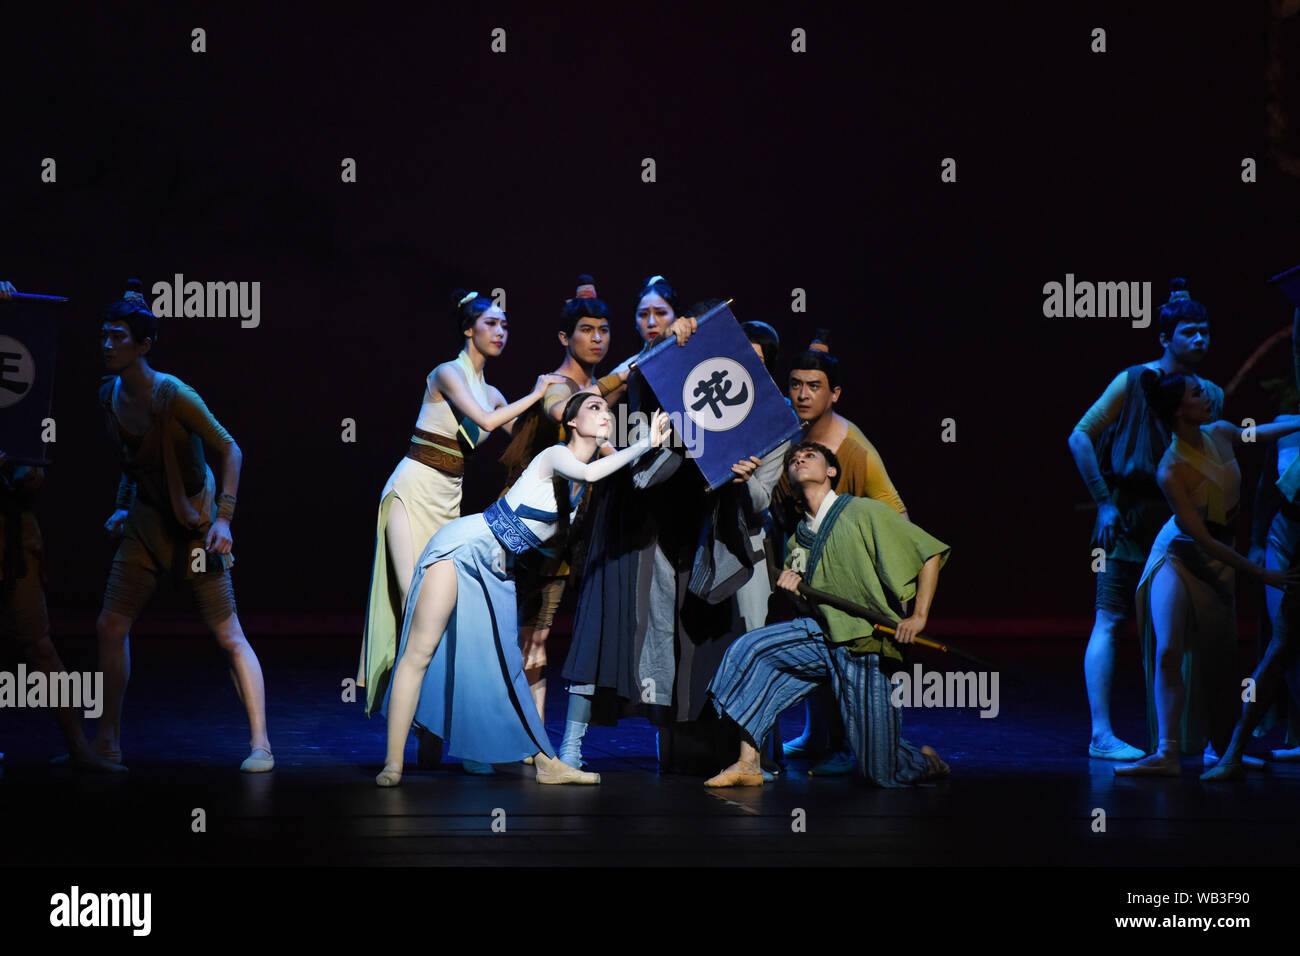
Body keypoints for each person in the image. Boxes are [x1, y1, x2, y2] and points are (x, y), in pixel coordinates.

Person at [375, 395, 672, 786]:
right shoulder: (556, 455)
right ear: (571, 422)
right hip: (464, 549)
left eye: (606, 409)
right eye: (593, 408)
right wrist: (645, 443)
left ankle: (546, 763)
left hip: (498, 571)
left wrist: (649, 448)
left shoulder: (578, 487)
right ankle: (393, 764)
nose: (604, 414)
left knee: (508, 666)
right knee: (419, 651)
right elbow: (591, 472)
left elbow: (602, 477)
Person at [559, 278, 764, 774]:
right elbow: (621, 437)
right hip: (630, 517)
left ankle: (704, 748)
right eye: (644, 314)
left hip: (686, 518)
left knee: (690, 633)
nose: (653, 322)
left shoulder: (712, 374)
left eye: (662, 314)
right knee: (606, 626)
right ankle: (570, 746)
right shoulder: (647, 368)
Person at [358, 289, 565, 772]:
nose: (500, 331)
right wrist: (536, 393)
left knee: (446, 617)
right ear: (469, 329)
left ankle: (446, 736)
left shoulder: (493, 391)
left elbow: (523, 442)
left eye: (505, 325)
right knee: (416, 607)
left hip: (449, 502)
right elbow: (488, 420)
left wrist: (572, 422)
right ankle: (405, 747)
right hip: (412, 492)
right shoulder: (446, 373)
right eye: (491, 323)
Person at [94, 280, 272, 771]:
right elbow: (134, 460)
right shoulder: (110, 395)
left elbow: (231, 449)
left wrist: (225, 519)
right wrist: (123, 506)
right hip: (147, 523)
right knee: (110, 625)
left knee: (228, 634)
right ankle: (107, 744)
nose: (108, 345)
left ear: (144, 345)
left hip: (195, 525)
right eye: (104, 335)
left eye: (118, 336)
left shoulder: (174, 394)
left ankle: (261, 744)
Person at [704, 441, 951, 788]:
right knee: (753, 650)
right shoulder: (797, 541)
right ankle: (749, 762)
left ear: (831, 471)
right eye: (794, 459)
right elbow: (810, 608)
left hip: (866, 644)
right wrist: (796, 591)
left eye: (810, 456)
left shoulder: (864, 511)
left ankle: (924, 762)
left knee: (880, 773)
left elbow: (929, 553)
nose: (799, 460)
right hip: (820, 637)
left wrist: (919, 617)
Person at [1069, 278, 1223, 761]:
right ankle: (1101, 733)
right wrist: (1104, 501)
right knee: (1110, 618)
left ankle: (1195, 737)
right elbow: (1080, 436)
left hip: (1182, 521)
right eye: (1189, 331)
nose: (1199, 339)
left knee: (1189, 628)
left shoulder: (1209, 393)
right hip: (1129, 516)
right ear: (1165, 338)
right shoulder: (1134, 380)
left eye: (1204, 331)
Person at [1116, 371, 1297, 776]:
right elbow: (1201, 538)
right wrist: (1260, 572)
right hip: (1179, 554)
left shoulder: (1221, 432)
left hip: (1220, 556)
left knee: (1220, 658)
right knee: (1169, 648)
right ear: (1180, 410)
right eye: (1198, 393)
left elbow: (1259, 434)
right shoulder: (1171, 469)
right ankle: (1167, 752)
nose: (1207, 397)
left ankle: (1221, 747)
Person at [772, 338, 909, 774]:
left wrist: (891, 586)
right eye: (795, 385)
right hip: (808, 567)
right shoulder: (793, 437)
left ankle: (857, 749)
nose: (803, 395)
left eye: (814, 386)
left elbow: (897, 516)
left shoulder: (855, 451)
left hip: (852, 575)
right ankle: (817, 735)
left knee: (849, 656)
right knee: (813, 642)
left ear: (835, 394)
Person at [497, 276, 614, 724]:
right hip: (523, 532)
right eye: (587, 330)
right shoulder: (558, 386)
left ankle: (533, 736)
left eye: (603, 330)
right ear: (565, 337)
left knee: (538, 638)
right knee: (510, 633)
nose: (597, 338)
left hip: (561, 537)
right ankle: (499, 729)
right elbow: (562, 409)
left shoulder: (598, 392)